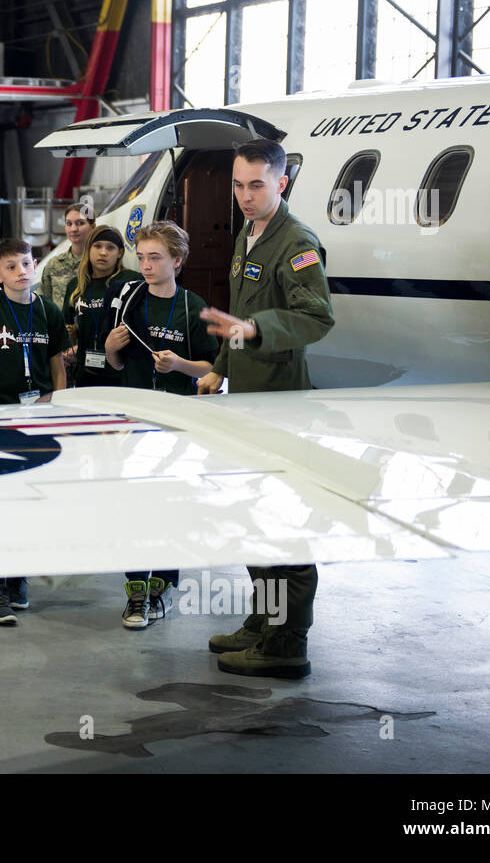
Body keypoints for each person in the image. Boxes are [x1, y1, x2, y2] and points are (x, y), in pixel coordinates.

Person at [197, 138, 334, 679]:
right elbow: (240, 313)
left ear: (282, 183)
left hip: (282, 402)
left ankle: (288, 644)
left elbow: (317, 317)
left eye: (256, 185)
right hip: (248, 400)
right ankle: (265, 621)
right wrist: (220, 366)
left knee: (285, 524)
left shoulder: (296, 242)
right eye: (237, 185)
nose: (245, 196)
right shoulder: (248, 236)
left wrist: (259, 331)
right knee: (255, 517)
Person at [104, 221, 218, 629]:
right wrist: (110, 350)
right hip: (135, 418)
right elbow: (115, 365)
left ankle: (162, 588)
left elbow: (211, 368)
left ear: (177, 261)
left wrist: (179, 365)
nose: (146, 265)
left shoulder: (193, 307)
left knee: (170, 502)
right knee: (132, 505)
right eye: (142, 257)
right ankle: (135, 590)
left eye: (155, 258)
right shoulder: (129, 300)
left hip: (178, 421)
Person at [0, 238, 67, 626]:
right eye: (11, 267)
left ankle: (17, 576)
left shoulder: (49, 311)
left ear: (35, 264)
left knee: (29, 502)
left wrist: (55, 407)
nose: (21, 272)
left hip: (39, 420)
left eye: (26, 264)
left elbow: (57, 369)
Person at [63, 225, 140, 388]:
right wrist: (72, 334)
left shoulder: (132, 281)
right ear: (88, 249)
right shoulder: (76, 286)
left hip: (121, 373)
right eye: (97, 246)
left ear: (120, 252)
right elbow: (67, 325)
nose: (103, 252)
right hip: (85, 373)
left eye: (110, 248)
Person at [38, 202, 94, 311]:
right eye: (69, 223)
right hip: (60, 327)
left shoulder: (100, 263)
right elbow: (44, 303)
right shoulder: (54, 264)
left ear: (93, 227)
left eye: (80, 223)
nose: (73, 229)